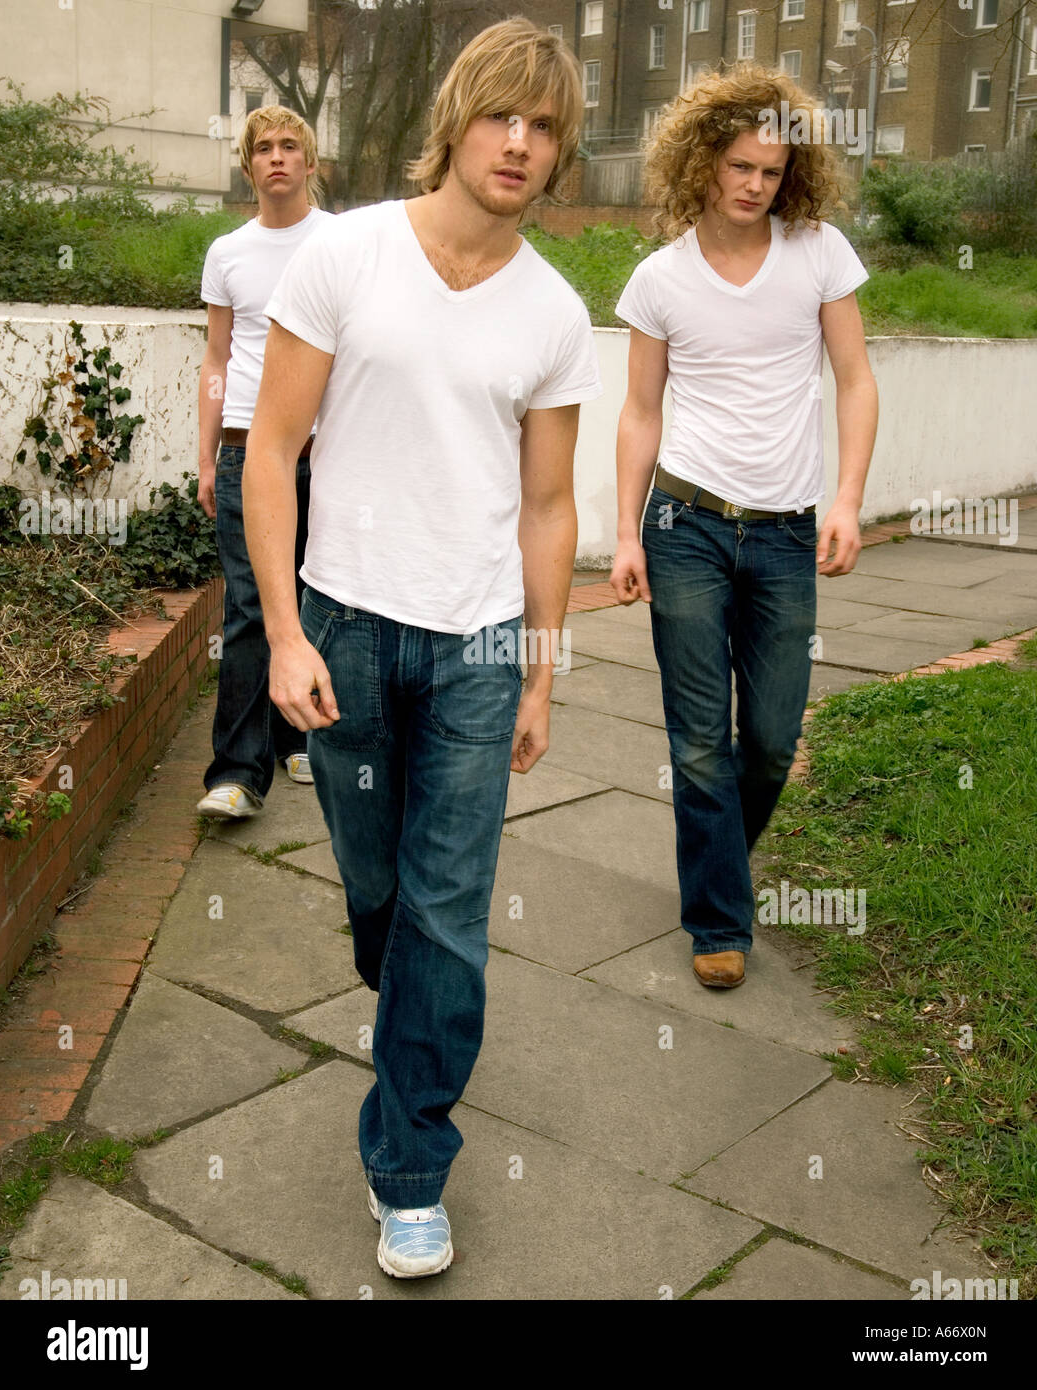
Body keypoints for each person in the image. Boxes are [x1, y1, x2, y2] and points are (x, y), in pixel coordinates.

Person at [242, 19, 601, 1277]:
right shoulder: (346, 256)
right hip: (339, 621)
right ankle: (399, 999)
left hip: (478, 645)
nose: (520, 141)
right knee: (379, 900)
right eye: (502, 114)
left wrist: (543, 667)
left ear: (558, 153)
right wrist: (282, 632)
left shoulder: (554, 312)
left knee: (446, 914)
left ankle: (407, 1167)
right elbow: (271, 447)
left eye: (544, 125)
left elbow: (551, 505)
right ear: (456, 120)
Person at [610, 63, 878, 991]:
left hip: (785, 533)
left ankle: (715, 856)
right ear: (702, 162)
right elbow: (639, 411)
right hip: (685, 524)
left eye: (771, 168)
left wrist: (846, 499)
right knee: (697, 739)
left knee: (766, 737)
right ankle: (719, 917)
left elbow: (855, 380)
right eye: (739, 164)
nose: (755, 182)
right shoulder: (660, 279)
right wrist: (627, 531)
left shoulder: (818, 253)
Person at [195, 105, 333, 819]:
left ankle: (302, 734)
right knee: (250, 607)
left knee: (319, 598)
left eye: (290, 146)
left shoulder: (343, 242)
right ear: (248, 166)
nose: (276, 157)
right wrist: (205, 456)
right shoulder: (228, 253)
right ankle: (237, 773)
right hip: (248, 455)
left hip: (332, 456)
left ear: (311, 162)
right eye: (263, 149)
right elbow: (217, 360)